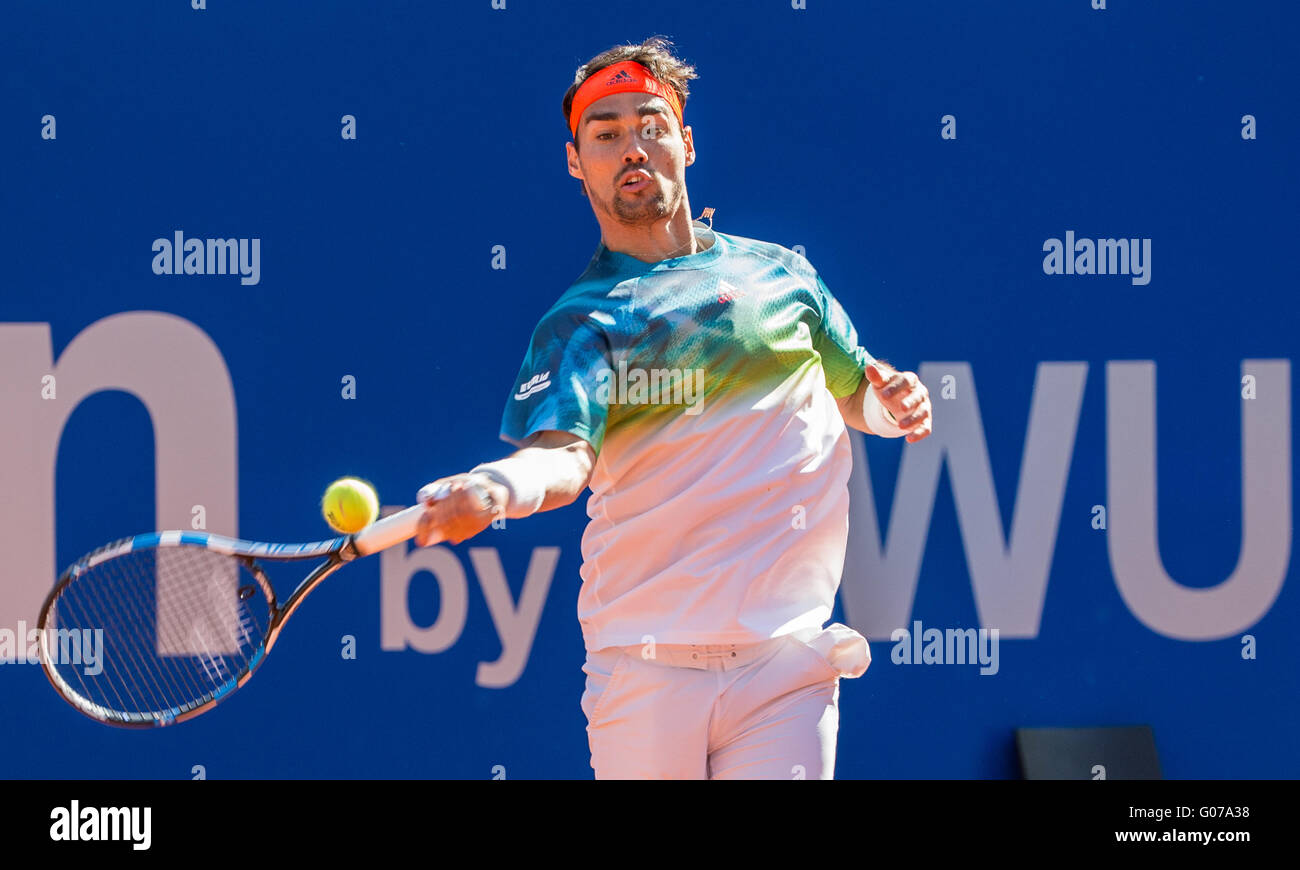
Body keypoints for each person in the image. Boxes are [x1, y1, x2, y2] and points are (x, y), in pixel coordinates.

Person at [414, 36, 932, 779]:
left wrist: (892, 403)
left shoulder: (782, 277)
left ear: (685, 143)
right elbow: (561, 457)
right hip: (645, 669)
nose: (633, 147)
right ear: (576, 161)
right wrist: (497, 489)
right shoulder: (583, 322)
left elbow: (859, 392)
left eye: (651, 125)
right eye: (607, 134)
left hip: (785, 662)